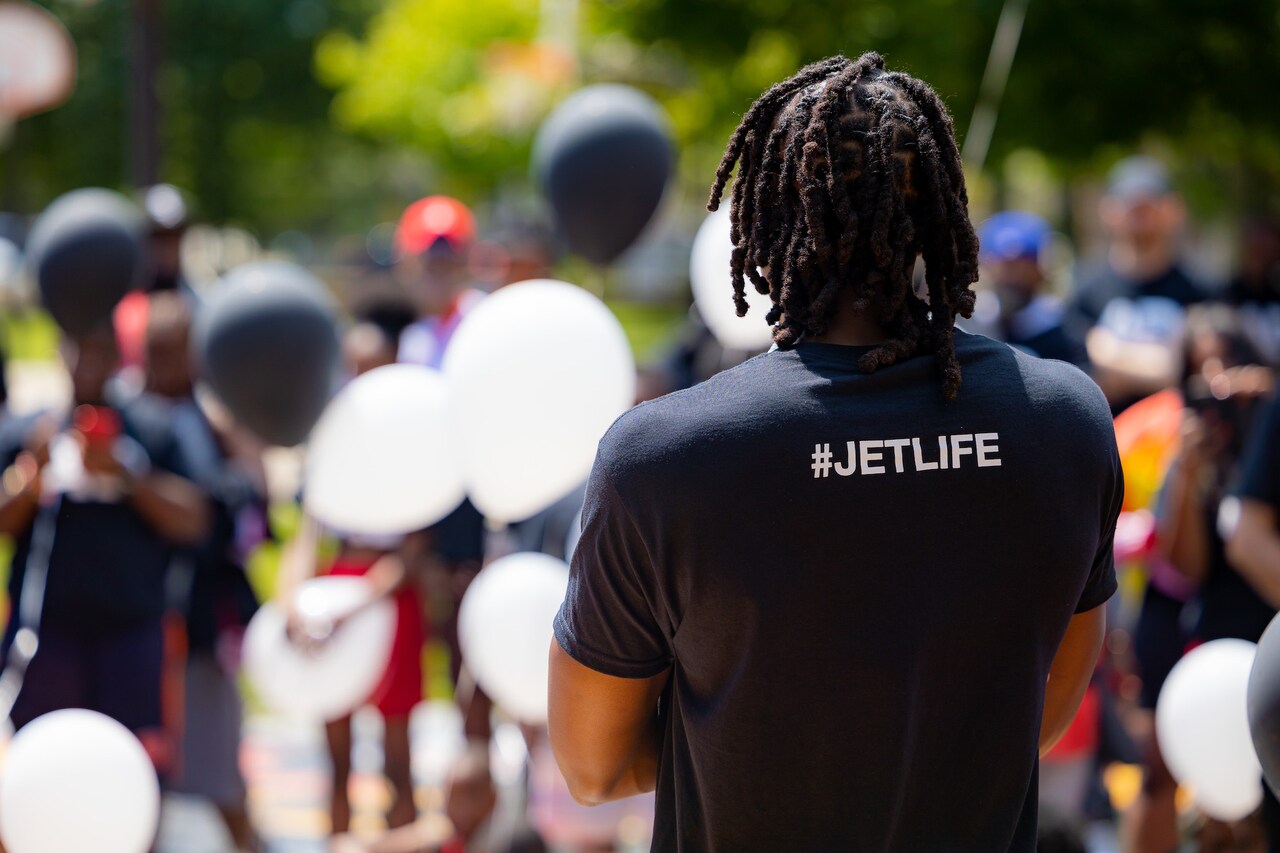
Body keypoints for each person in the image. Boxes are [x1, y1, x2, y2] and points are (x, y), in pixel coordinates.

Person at [547, 53, 1121, 851]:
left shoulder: (664, 459)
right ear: (938, 214)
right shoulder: (1066, 424)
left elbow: (593, 767)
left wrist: (739, 755)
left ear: (763, 216)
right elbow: (1042, 713)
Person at [0, 322, 209, 762]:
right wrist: (30, 477)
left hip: (130, 638)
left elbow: (195, 519)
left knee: (134, 766)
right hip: (46, 640)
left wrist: (127, 477)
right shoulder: (31, 432)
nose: (88, 363)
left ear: (118, 357)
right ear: (62, 353)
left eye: (100, 351)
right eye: (79, 349)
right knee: (42, 766)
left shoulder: (152, 429)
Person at [142, 292, 266, 851]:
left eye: (176, 349)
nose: (164, 360)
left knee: (221, 784)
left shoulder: (213, 420)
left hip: (199, 635)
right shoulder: (126, 417)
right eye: (155, 349)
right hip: (135, 634)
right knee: (142, 791)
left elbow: (248, 504)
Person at [1066, 156, 1206, 412]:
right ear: (1108, 211)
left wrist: (1111, 355)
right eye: (1131, 206)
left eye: (1149, 206)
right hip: (1108, 437)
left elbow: (1199, 376)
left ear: (1174, 211)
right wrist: (1162, 367)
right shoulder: (1085, 290)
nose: (1141, 217)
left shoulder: (1200, 291)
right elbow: (1084, 380)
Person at [969, 210, 1089, 368]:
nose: (1014, 277)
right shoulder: (972, 324)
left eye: (1023, 266)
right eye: (1005, 266)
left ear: (1040, 270)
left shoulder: (1065, 330)